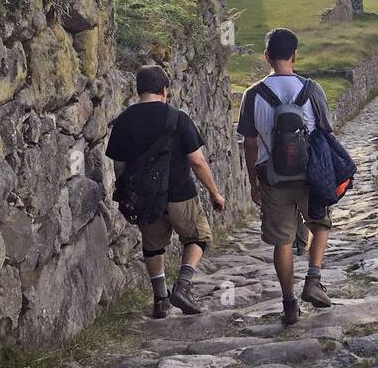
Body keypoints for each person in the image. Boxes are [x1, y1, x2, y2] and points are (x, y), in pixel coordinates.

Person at [106, 65, 226, 318]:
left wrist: (129, 192)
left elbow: (119, 164)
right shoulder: (177, 117)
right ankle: (182, 286)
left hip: (145, 199)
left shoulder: (124, 120)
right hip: (180, 193)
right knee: (199, 237)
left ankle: (161, 299)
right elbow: (197, 161)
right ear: (164, 90)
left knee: (153, 247)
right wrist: (215, 193)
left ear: (138, 90)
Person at [237, 28, 335, 326]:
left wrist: (253, 181)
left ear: (266, 56)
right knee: (320, 225)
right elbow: (327, 132)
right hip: (309, 176)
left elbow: (250, 143)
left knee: (282, 241)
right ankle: (313, 280)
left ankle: (289, 304)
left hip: (273, 178)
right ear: (295, 55)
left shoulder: (253, 95)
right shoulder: (311, 89)